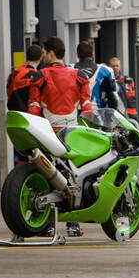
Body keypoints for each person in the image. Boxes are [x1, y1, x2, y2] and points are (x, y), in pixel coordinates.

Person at [30, 36, 93, 238]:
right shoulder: (79, 75)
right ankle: (72, 225)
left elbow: (34, 108)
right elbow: (87, 110)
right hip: (73, 133)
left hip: (48, 132)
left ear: (49, 53)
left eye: (44, 53)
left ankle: (48, 224)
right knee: (72, 176)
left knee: (48, 176)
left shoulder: (40, 76)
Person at [6, 44, 46, 113]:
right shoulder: (37, 76)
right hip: (29, 116)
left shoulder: (14, 73)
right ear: (40, 58)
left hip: (13, 114)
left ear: (26, 56)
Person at [110, 56, 137, 124]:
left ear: (120, 67)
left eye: (117, 66)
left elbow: (130, 97)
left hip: (128, 113)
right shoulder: (107, 80)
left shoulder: (127, 80)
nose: (115, 68)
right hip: (112, 113)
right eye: (113, 66)